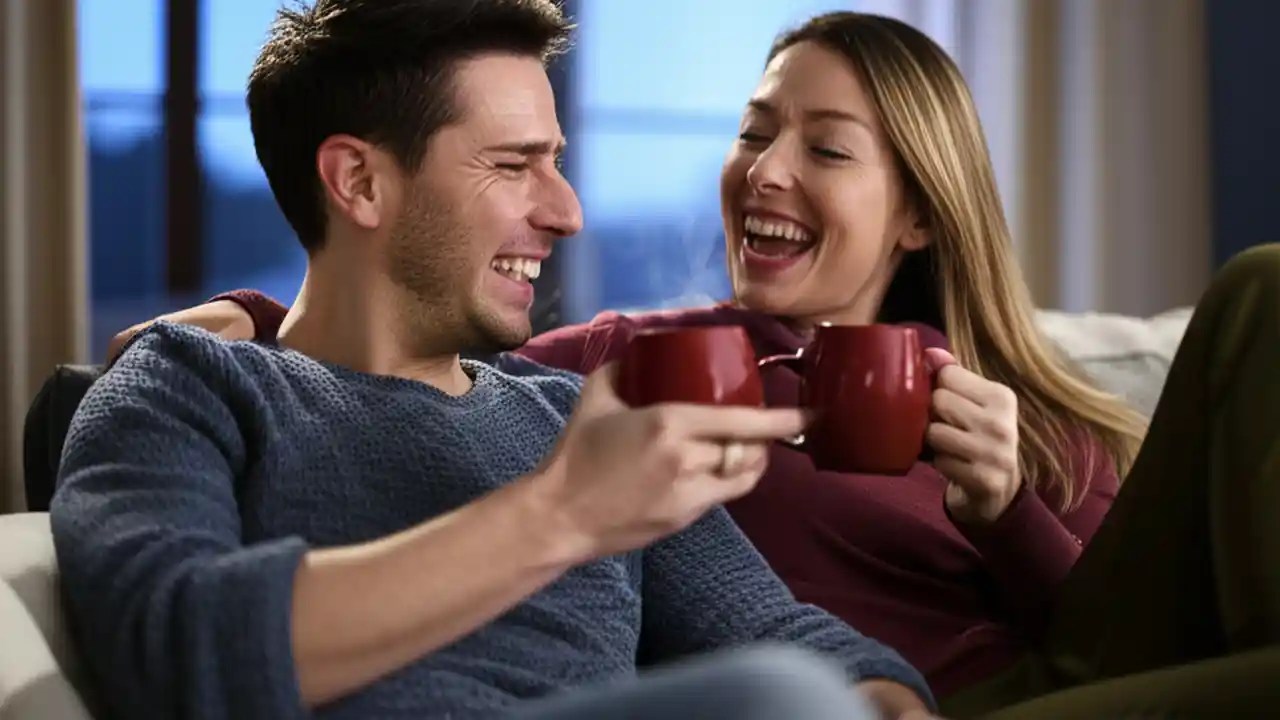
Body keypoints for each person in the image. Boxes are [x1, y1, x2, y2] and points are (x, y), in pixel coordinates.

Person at [138, 8, 1280, 718]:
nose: (764, 171)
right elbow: (407, 344)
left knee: (1260, 292)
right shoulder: (629, 368)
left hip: (1097, 671)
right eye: (750, 134)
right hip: (962, 706)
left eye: (823, 149)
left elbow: (1132, 625)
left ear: (918, 217)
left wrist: (1007, 511)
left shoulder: (1021, 406)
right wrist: (261, 317)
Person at [53, 2, 944, 720]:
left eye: (555, 161)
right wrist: (559, 512)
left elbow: (781, 630)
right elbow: (180, 654)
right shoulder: (186, 385)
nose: (567, 211)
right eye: (515, 165)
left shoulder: (566, 413)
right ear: (359, 182)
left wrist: (888, 695)